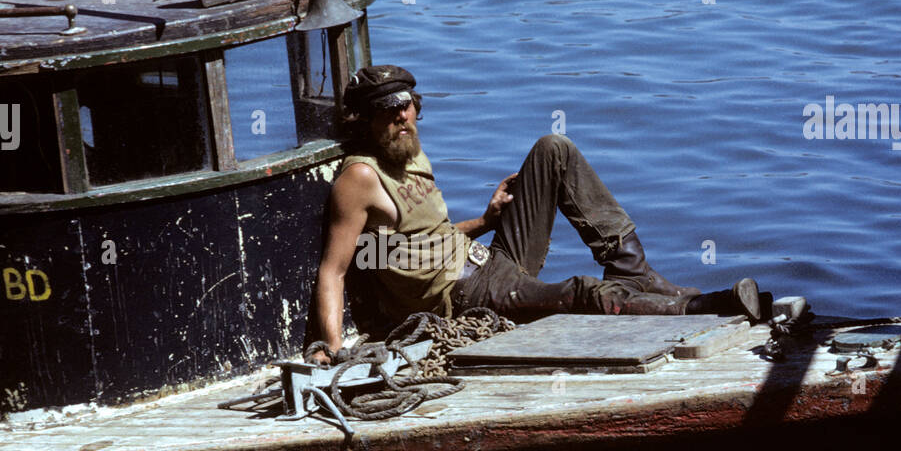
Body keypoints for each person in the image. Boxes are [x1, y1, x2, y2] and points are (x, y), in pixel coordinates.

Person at [308, 64, 766, 365]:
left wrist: (487, 221)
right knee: (576, 292)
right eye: (387, 111)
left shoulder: (409, 151)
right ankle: (699, 308)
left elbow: (428, 235)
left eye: (406, 105)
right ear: (366, 121)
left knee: (553, 150)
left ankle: (634, 270)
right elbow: (335, 269)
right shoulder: (361, 178)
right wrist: (329, 348)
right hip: (464, 295)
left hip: (485, 259)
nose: (401, 118)